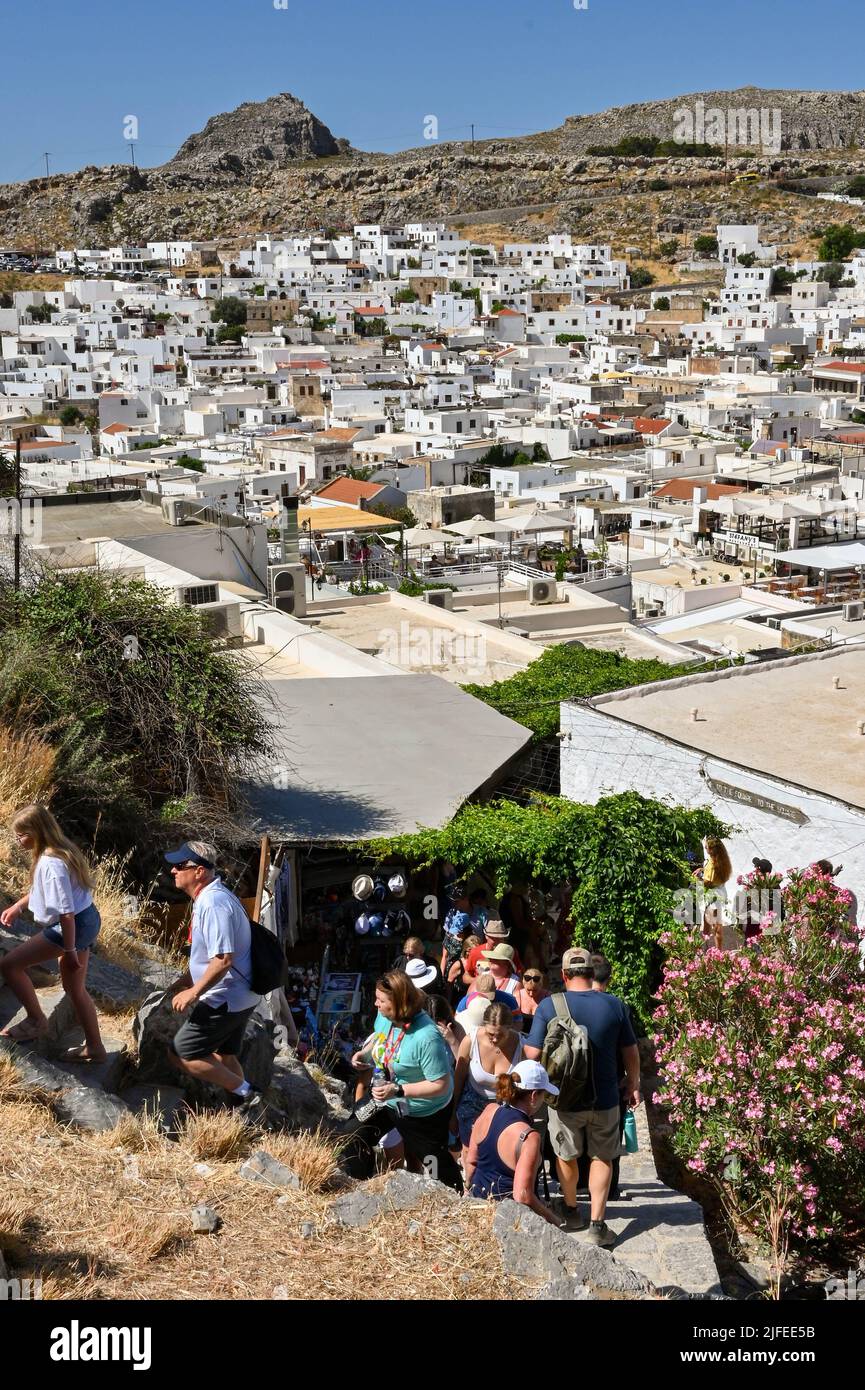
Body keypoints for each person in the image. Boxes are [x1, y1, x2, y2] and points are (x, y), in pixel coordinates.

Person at [525, 947, 640, 1248]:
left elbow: (533, 1054)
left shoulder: (549, 1007)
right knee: (603, 1156)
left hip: (563, 1099)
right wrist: (634, 1082)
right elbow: (631, 1051)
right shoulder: (615, 1005)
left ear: (563, 975)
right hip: (605, 1098)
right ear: (591, 973)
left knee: (566, 1153)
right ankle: (598, 1225)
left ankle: (573, 1211)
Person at [163, 841, 264, 1118]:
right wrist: (186, 978)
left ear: (199, 871)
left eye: (180, 866)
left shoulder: (214, 903)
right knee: (225, 1055)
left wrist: (193, 991)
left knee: (182, 1052)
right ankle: (238, 1107)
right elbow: (209, 954)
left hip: (225, 996)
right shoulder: (212, 897)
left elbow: (222, 959)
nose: (173, 870)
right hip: (239, 994)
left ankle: (248, 1093)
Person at [0, 804, 106, 1061]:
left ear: (35, 832)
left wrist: (69, 951)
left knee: (10, 965)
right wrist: (17, 905)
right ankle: (95, 1048)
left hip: (73, 925)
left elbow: (66, 913)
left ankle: (37, 1021)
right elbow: (45, 891)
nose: (17, 840)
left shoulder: (50, 863)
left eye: (20, 835)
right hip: (88, 918)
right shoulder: (61, 849)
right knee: (74, 989)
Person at [345, 971, 462, 1189]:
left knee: (436, 1167)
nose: (376, 1004)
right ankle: (356, 1185)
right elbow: (381, 1040)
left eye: (381, 1000)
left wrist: (398, 1090)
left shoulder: (426, 1037)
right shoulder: (385, 1016)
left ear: (399, 1002)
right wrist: (365, 1055)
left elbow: (441, 1084)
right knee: (349, 1133)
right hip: (386, 1097)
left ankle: (453, 1201)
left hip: (423, 1112)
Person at [463, 1061, 562, 1225]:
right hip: (505, 1218)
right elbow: (522, 1195)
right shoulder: (529, 1137)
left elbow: (471, 1162)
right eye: (544, 1095)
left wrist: (467, 1189)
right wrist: (552, 1219)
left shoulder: (489, 1110)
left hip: (476, 1207)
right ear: (534, 1095)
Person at [451, 1002, 523, 1155]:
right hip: (471, 1106)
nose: (495, 1040)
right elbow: (458, 1079)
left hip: (504, 1108)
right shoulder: (470, 1041)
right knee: (470, 1155)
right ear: (484, 1026)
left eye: (501, 1035)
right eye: (491, 1034)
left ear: (510, 1028)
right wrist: (452, 1114)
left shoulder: (521, 1046)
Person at [462, 916, 523, 984]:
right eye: (494, 938)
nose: (498, 941)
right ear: (486, 936)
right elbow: (466, 976)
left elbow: (519, 974)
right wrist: (477, 981)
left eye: (501, 938)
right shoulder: (475, 952)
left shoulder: (510, 952)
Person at [455, 966, 521, 1025]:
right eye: (482, 996)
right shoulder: (467, 1000)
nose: (486, 999)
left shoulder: (508, 999)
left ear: (496, 988)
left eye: (488, 996)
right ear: (476, 990)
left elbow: (518, 1023)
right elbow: (457, 1020)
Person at [426, 993, 465, 1064]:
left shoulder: (456, 1029)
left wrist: (452, 1041)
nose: (434, 1026)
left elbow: (463, 1065)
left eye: (438, 1022)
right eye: (430, 1022)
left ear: (446, 1017)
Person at [514, 967, 550, 1033]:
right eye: (528, 990)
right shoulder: (517, 996)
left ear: (541, 985)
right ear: (523, 985)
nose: (531, 994)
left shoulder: (547, 997)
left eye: (535, 990)